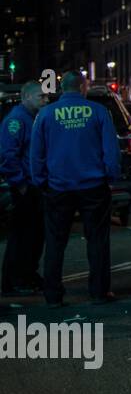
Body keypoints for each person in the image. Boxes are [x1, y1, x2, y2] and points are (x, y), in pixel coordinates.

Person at [30, 71, 121, 308]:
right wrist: (111, 177)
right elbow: (111, 150)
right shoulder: (99, 112)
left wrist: (41, 181)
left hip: (58, 187)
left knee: (55, 242)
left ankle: (53, 295)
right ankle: (99, 292)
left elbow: (36, 153)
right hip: (93, 186)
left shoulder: (45, 114)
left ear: (62, 88)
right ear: (83, 88)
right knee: (98, 240)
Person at [1, 81, 46, 295]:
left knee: (34, 234)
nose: (45, 100)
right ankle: (16, 279)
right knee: (22, 235)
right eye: (41, 97)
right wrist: (20, 184)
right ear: (26, 97)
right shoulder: (16, 121)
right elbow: (8, 156)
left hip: (33, 185)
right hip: (25, 187)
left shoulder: (31, 118)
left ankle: (27, 274)